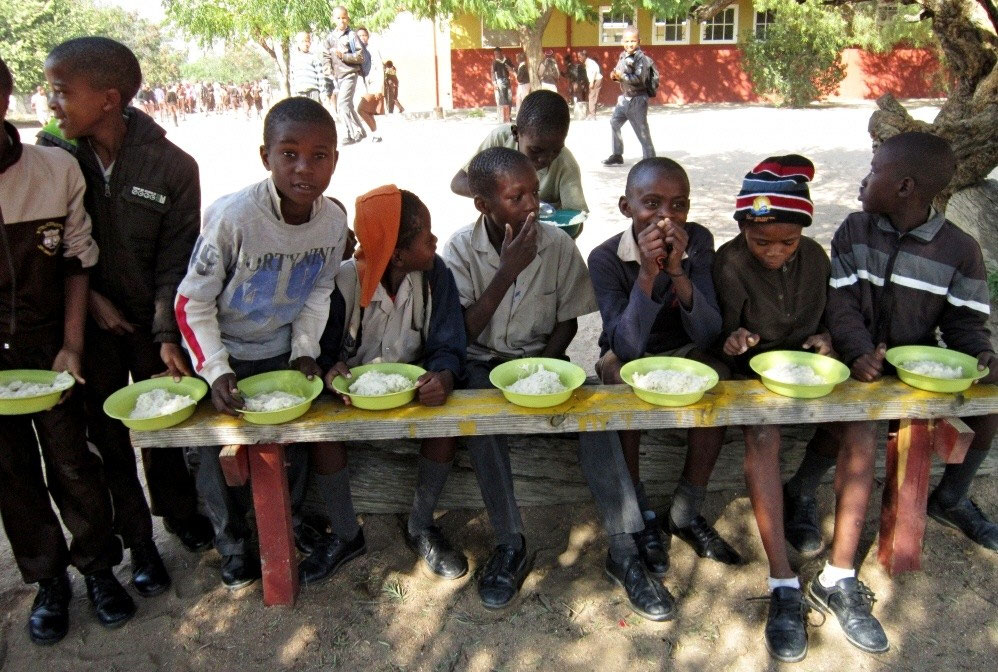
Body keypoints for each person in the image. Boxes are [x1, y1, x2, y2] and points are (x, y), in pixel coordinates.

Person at [443, 146, 673, 620]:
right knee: (480, 421)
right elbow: (461, 331)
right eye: (516, 196)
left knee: (597, 415)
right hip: (482, 364)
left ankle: (624, 549)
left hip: (543, 363)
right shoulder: (459, 251)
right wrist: (507, 270)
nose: (532, 205)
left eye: (534, 191)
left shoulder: (559, 246)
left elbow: (568, 324)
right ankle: (510, 543)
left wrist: (544, 375)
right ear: (483, 205)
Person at [783, 132, 997, 642]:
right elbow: (841, 302)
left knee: (989, 410)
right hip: (856, 363)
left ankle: (952, 496)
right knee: (855, 426)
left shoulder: (959, 251)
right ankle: (826, 549)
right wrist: (858, 352)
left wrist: (980, 354)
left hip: (916, 367)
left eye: (873, 168)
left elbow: (966, 323)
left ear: (904, 186)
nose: (864, 177)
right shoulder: (856, 232)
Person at [39, 37, 213, 599]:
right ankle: (139, 543)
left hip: (152, 323)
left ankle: (180, 514)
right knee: (108, 437)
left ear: (109, 99)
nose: (52, 103)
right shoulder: (52, 159)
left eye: (63, 92)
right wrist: (91, 302)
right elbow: (58, 249)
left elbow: (177, 260)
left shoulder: (173, 166)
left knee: (165, 421)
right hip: (84, 325)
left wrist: (166, 333)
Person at [174, 97, 348, 589]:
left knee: (287, 445)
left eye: (320, 155)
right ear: (264, 156)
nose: (303, 168)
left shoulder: (333, 223)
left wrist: (305, 351)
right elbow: (193, 303)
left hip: (278, 352)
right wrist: (214, 368)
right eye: (288, 153)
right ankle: (231, 545)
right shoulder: (235, 218)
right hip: (222, 351)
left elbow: (319, 290)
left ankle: (283, 526)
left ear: (336, 158)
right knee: (216, 453)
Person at [0, 56, 135, 644]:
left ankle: (99, 567)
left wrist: (72, 346)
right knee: (10, 473)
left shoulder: (54, 170)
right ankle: (47, 579)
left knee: (74, 461)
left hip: (51, 348)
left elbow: (78, 260)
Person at [713, 155, 866, 662]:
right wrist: (734, 342)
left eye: (787, 243)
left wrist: (825, 339)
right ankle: (782, 580)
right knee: (763, 436)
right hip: (754, 376)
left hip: (807, 372)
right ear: (741, 229)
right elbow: (721, 335)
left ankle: (804, 498)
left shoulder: (817, 259)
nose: (775, 252)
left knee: (854, 427)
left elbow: (826, 317)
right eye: (762, 242)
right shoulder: (730, 262)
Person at [302, 186, 468, 584]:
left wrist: (442, 376)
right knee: (322, 432)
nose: (434, 240)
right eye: (424, 234)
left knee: (445, 419)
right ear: (395, 254)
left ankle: (420, 524)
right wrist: (331, 373)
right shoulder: (343, 285)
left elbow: (449, 342)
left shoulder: (434, 276)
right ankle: (345, 532)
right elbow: (321, 354)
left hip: (412, 392)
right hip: (353, 401)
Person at [589, 157, 742, 573]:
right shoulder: (604, 258)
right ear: (626, 207)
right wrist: (645, 273)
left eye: (678, 206)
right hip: (627, 352)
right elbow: (626, 344)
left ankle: (686, 510)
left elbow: (709, 333)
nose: (665, 218)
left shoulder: (699, 242)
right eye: (652, 204)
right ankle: (637, 515)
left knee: (720, 377)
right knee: (619, 379)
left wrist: (676, 271)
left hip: (683, 348)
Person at [450, 90, 587, 213]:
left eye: (555, 151)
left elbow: (577, 219)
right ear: (516, 133)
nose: (544, 159)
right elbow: (458, 183)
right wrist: (501, 199)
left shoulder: (565, 162)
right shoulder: (500, 140)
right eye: (535, 150)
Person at [603, 27, 656, 165]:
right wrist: (615, 76)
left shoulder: (641, 58)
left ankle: (650, 162)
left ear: (639, 41)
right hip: (624, 99)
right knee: (614, 122)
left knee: (642, 132)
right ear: (622, 42)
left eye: (633, 41)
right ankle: (617, 154)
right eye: (627, 41)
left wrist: (623, 77)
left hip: (638, 99)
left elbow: (640, 78)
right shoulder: (622, 55)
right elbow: (619, 75)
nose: (629, 44)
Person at [322, 5, 367, 145]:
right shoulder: (329, 38)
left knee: (342, 103)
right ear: (333, 19)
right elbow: (326, 56)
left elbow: (360, 57)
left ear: (348, 18)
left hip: (350, 74)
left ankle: (351, 133)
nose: (341, 21)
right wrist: (327, 69)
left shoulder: (352, 36)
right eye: (338, 18)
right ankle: (358, 130)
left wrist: (344, 56)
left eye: (344, 18)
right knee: (347, 105)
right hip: (338, 76)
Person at [291, 32, 324, 102]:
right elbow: (292, 77)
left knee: (314, 111)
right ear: (298, 43)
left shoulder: (314, 57)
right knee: (301, 111)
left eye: (308, 41)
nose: (306, 44)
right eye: (303, 41)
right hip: (300, 91)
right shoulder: (294, 59)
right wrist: (293, 92)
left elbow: (320, 75)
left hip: (313, 90)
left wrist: (322, 92)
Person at [491, 47, 514, 122]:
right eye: (494, 54)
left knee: (509, 98)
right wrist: (494, 83)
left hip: (507, 80)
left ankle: (508, 116)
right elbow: (493, 72)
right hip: (500, 81)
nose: (496, 55)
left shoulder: (507, 60)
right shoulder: (495, 62)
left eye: (497, 53)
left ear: (501, 53)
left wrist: (511, 69)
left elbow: (512, 68)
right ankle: (502, 116)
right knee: (502, 99)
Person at [583, 50, 603, 120]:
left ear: (584, 56)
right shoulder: (587, 62)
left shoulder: (590, 62)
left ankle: (592, 114)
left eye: (580, 57)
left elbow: (595, 71)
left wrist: (591, 82)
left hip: (595, 80)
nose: (579, 58)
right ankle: (591, 113)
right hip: (595, 79)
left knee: (592, 97)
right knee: (592, 96)